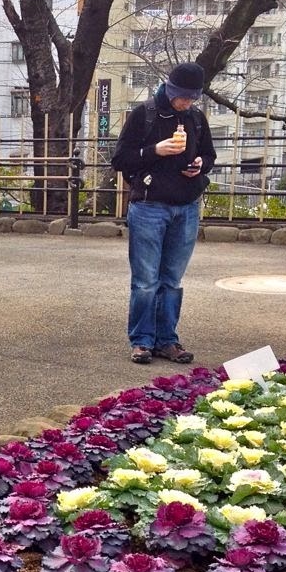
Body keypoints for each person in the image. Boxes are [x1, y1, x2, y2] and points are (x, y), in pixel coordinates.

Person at [111, 61, 216, 365]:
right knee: (145, 279)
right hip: (149, 205)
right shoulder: (144, 114)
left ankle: (167, 340)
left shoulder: (196, 118)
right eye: (182, 96)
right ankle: (142, 341)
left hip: (186, 205)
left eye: (192, 98)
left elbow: (209, 154)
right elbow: (120, 159)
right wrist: (155, 150)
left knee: (172, 278)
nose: (186, 103)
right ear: (169, 89)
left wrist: (199, 165)